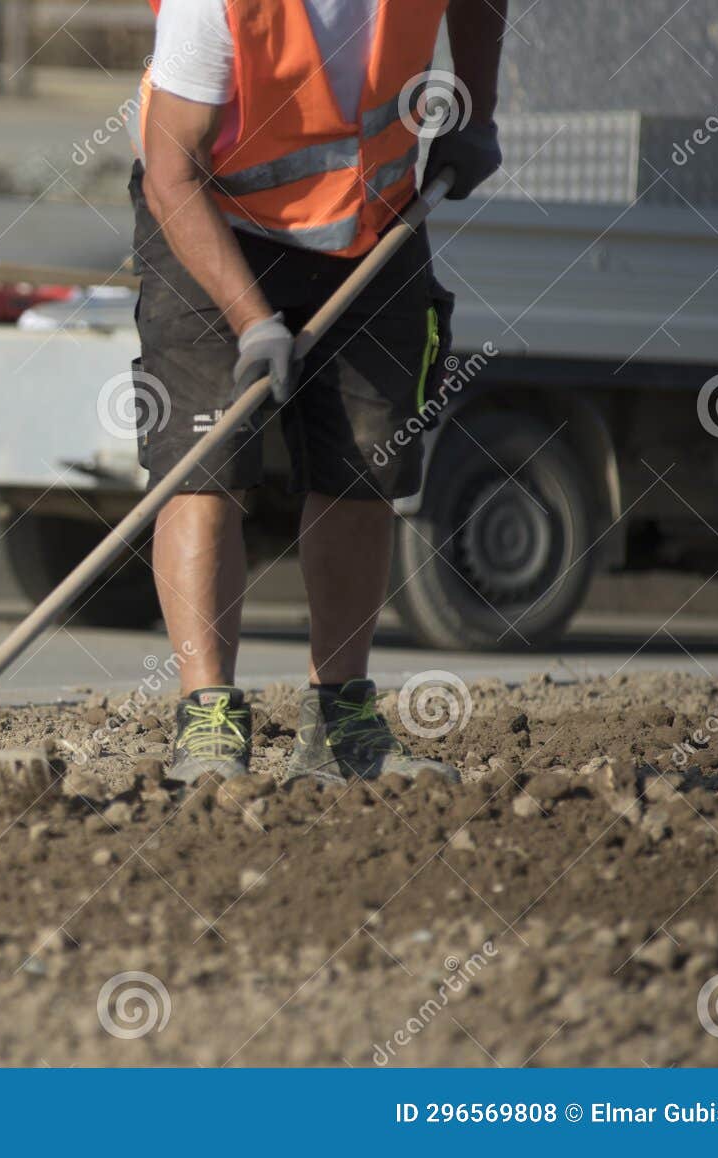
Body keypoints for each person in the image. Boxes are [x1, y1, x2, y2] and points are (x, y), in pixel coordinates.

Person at [133, 0, 507, 785]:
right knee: (205, 466)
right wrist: (252, 321)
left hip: (372, 223)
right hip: (210, 220)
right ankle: (207, 721)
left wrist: (478, 107)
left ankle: (341, 722)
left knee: (365, 466)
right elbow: (171, 170)